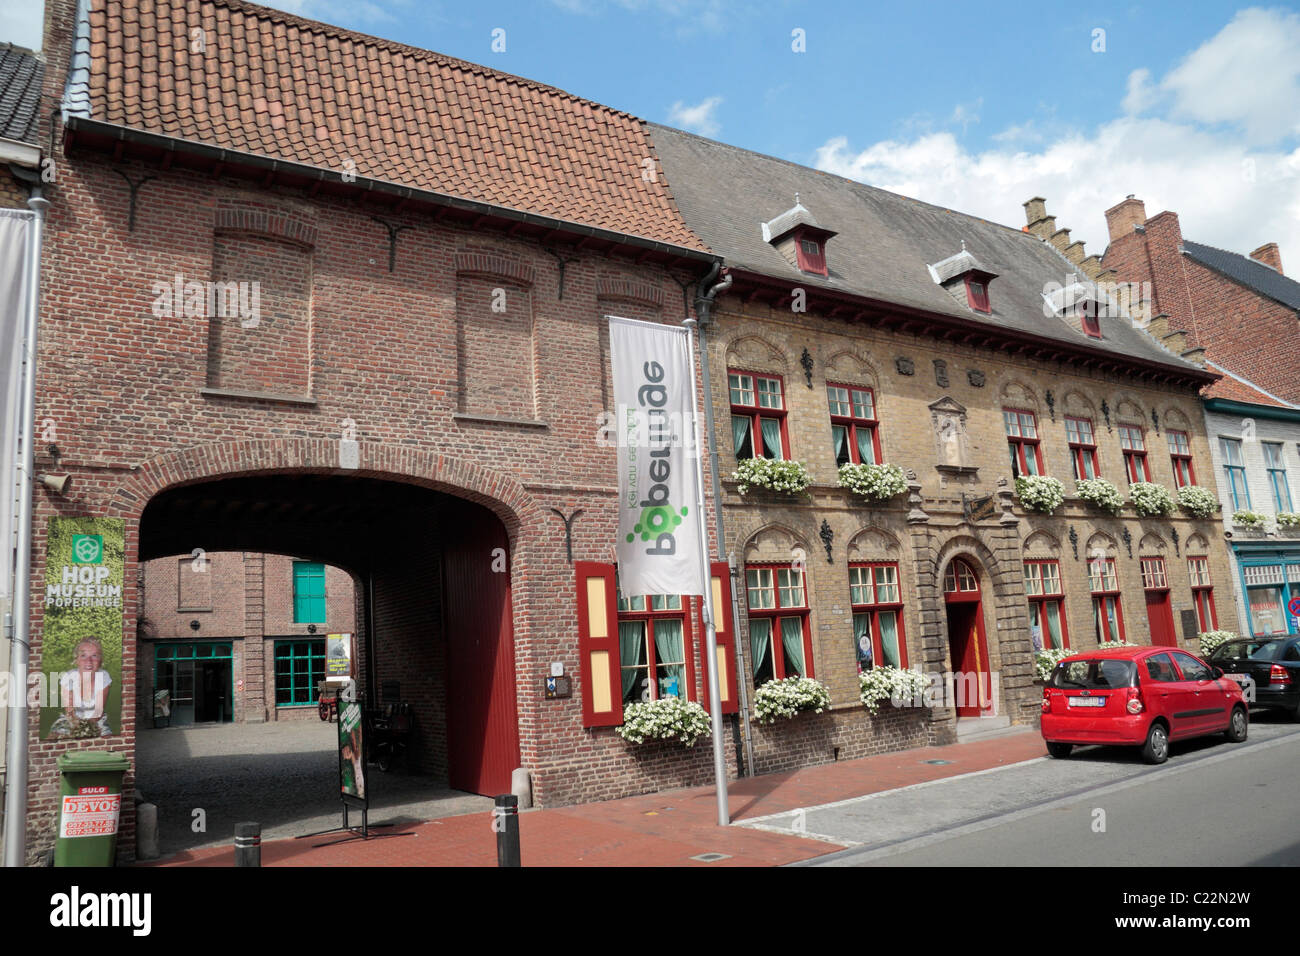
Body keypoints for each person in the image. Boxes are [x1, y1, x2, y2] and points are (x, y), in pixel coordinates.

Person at [50, 638, 113, 738]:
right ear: (77, 660)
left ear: (100, 661)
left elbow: (98, 712)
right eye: (83, 656)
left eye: (94, 656)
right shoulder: (68, 677)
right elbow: (69, 711)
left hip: (96, 720)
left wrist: (87, 729)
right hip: (72, 720)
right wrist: (78, 728)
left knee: (107, 740)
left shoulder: (104, 676)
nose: (89, 661)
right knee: (54, 737)